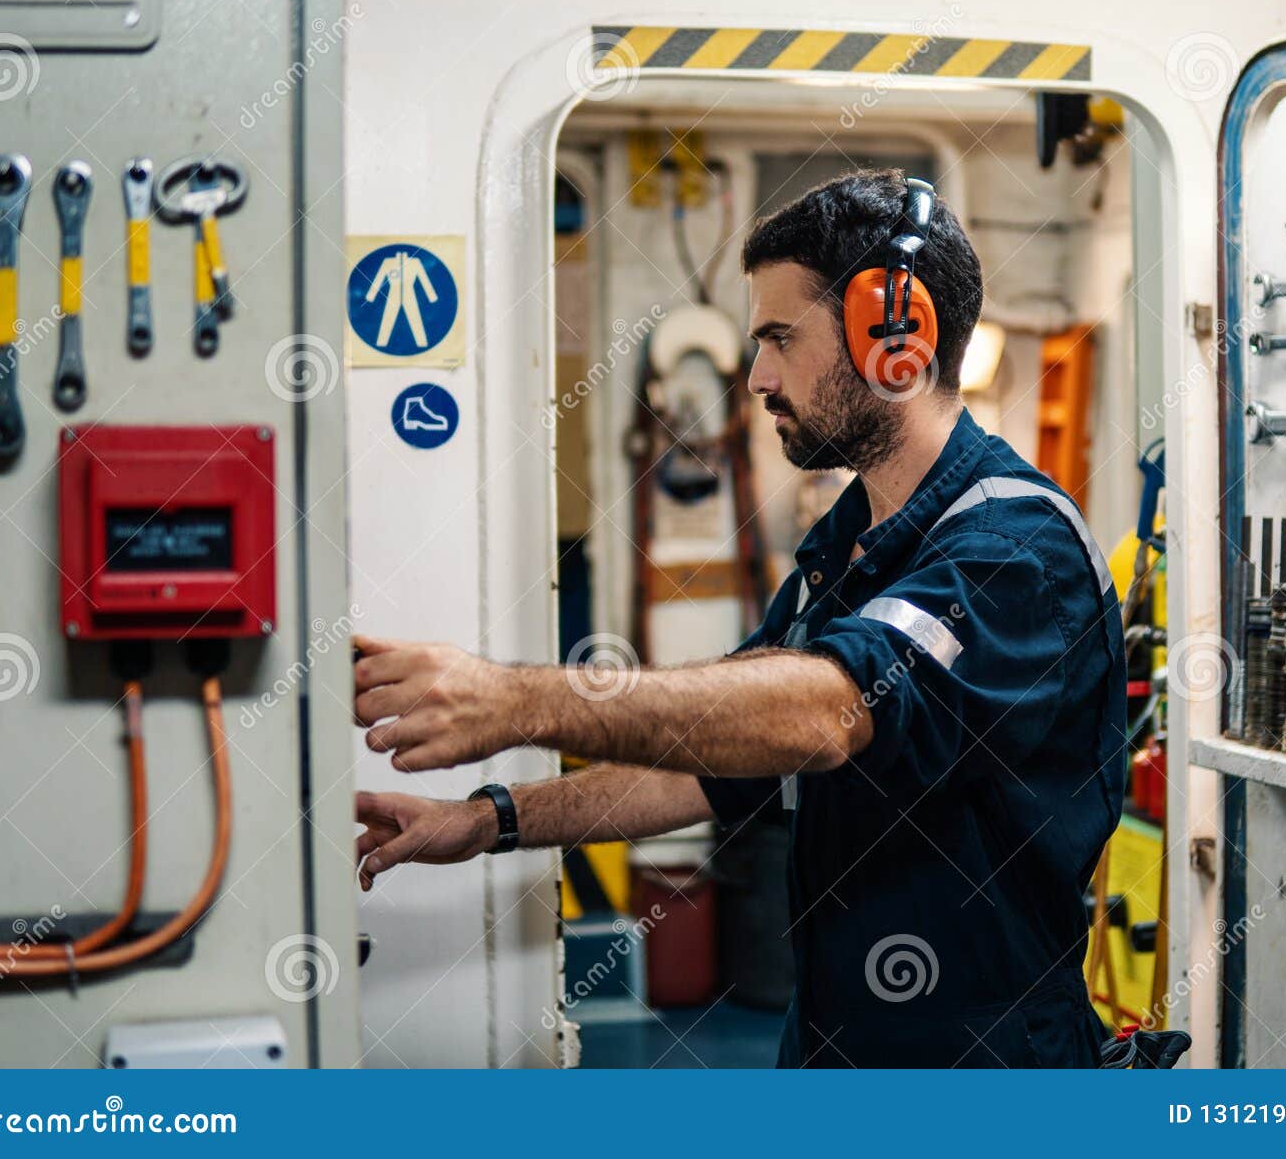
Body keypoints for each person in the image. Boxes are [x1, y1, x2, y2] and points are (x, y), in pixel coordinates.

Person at [352, 169, 1128, 1068]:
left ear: (896, 335)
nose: (756, 375)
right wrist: (488, 819)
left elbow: (826, 711)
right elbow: (715, 771)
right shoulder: (848, 546)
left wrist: (513, 700)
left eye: (778, 338)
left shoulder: (1015, 549)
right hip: (836, 1046)